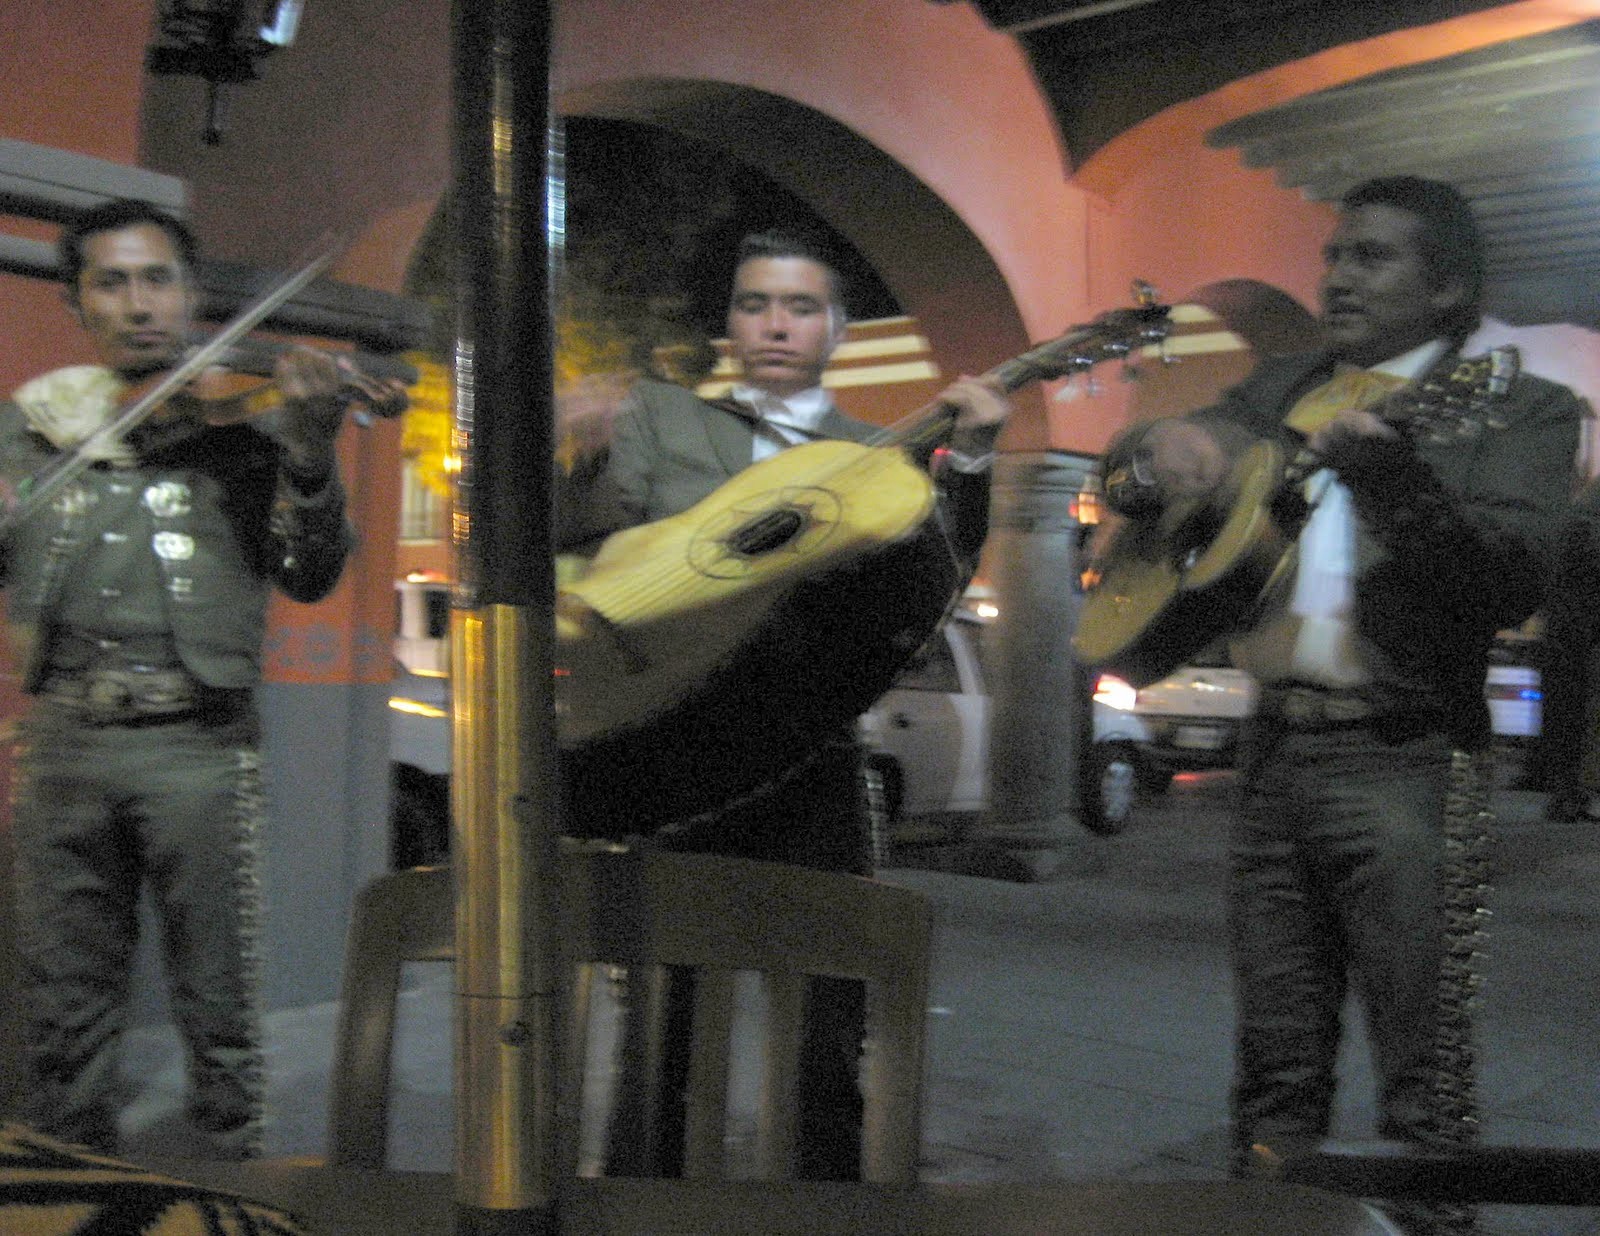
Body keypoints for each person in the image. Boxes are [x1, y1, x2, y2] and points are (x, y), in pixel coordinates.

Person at [1099, 177, 1583, 1229]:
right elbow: (1145, 466)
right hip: (1272, 756)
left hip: (1410, 759)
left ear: (1446, 283)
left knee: (1427, 1080)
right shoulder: (1277, 388)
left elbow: (1509, 579)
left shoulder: (1522, 408)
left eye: (1372, 257)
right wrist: (1147, 461)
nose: (1337, 274)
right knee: (1272, 1078)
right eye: (1333, 254)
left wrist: (1394, 482)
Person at [557, 228, 1009, 1179]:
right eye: (755, 302)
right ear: (728, 321)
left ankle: (824, 1206)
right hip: (673, 750)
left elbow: (931, 589)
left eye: (801, 306)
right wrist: (583, 459)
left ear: (839, 327)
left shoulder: (877, 456)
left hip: (814, 755)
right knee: (659, 1028)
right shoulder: (663, 419)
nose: (775, 323)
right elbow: (604, 544)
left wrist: (967, 470)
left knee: (828, 1021)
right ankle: (646, 1206)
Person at [0, 198, 406, 1158]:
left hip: (198, 744)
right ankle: (75, 1185)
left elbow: (310, 576)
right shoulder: (32, 432)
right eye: (112, 281)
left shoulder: (246, 434)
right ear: (78, 303)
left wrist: (311, 446)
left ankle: (233, 1175)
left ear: (189, 294)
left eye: (159, 279)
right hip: (62, 740)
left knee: (217, 992)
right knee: (63, 997)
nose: (140, 304)